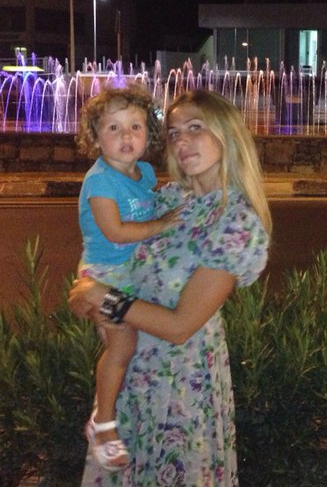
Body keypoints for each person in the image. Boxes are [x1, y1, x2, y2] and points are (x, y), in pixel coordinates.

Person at [69, 88, 272, 486]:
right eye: (174, 132)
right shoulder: (167, 200)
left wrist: (104, 299)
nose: (181, 141)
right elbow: (117, 261)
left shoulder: (235, 223)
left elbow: (181, 326)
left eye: (195, 127)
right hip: (130, 378)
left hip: (181, 388)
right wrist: (89, 298)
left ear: (226, 133)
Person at [76, 85, 183, 471]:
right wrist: (161, 225)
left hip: (131, 274)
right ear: (95, 136)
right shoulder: (100, 181)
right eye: (114, 128)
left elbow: (148, 206)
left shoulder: (145, 173)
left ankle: (120, 417)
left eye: (135, 127)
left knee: (133, 351)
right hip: (104, 276)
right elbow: (116, 232)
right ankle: (102, 424)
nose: (126, 136)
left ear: (148, 134)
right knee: (122, 346)